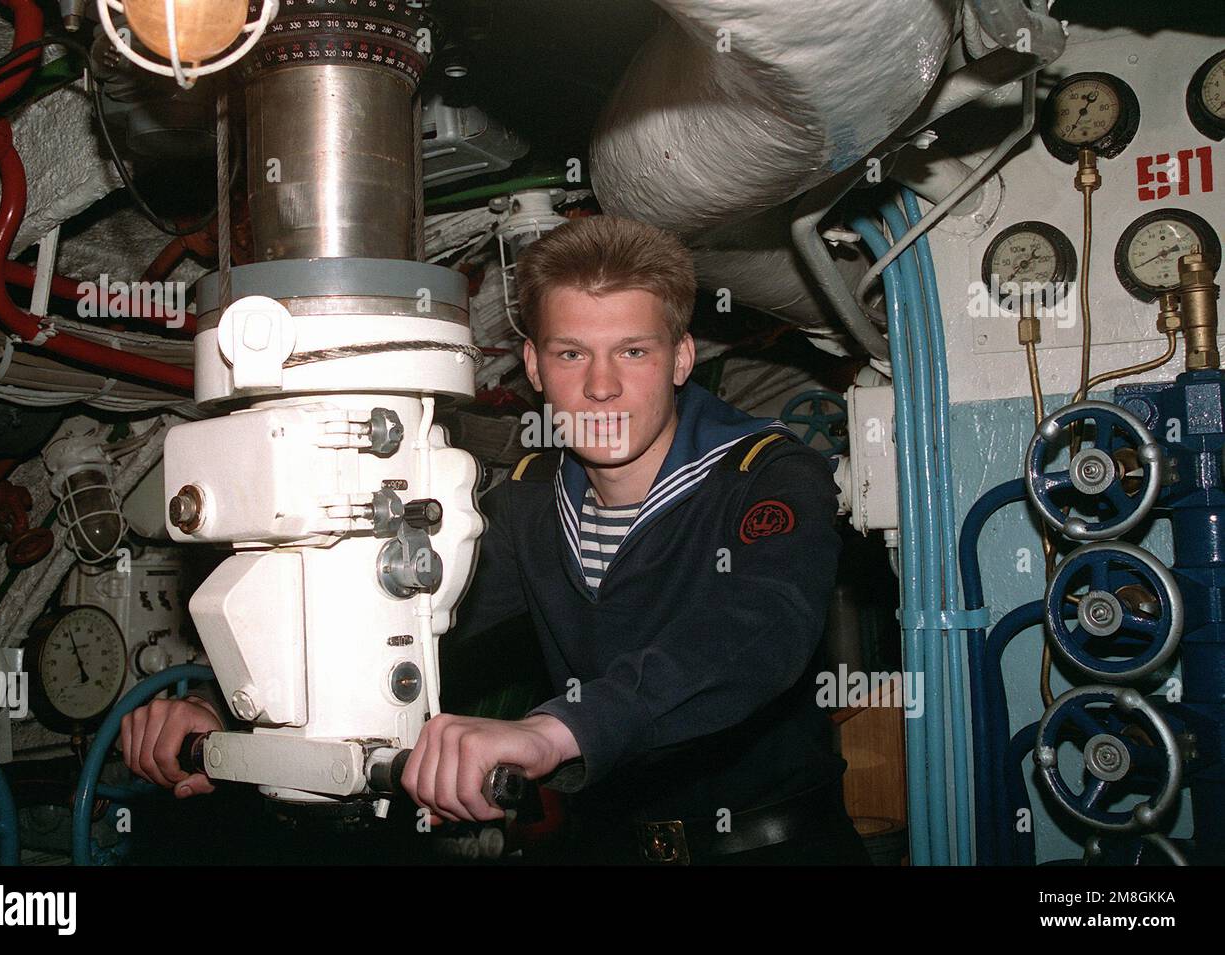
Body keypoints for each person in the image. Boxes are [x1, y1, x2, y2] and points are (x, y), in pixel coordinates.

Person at [121, 214, 868, 865]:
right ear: (536, 367)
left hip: (772, 849)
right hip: (608, 847)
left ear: (680, 358)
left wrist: (555, 731)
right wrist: (231, 705)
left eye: (633, 352)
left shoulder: (766, 476)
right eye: (572, 353)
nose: (601, 386)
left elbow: (752, 631)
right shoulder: (532, 501)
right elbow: (399, 612)